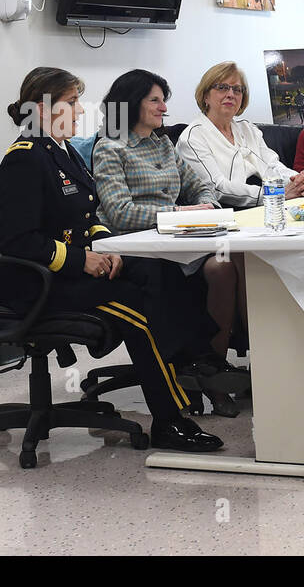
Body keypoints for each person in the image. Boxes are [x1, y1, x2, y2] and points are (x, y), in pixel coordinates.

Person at [0, 66, 222, 452]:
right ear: (41, 109)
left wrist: (105, 248)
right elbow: (20, 242)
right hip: (38, 284)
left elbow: (90, 216)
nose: (80, 112)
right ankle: (170, 419)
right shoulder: (25, 158)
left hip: (69, 272)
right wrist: (82, 261)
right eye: (70, 103)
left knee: (153, 273)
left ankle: (198, 361)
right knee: (138, 311)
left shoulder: (62, 152)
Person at [92, 69, 251, 416]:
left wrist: (206, 204)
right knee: (177, 278)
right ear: (131, 103)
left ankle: (213, 367)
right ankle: (195, 371)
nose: (164, 108)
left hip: (179, 238)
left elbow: (201, 186)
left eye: (165, 100)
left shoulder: (162, 143)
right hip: (136, 247)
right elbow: (119, 213)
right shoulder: (109, 147)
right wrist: (178, 212)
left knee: (228, 264)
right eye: (155, 100)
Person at [176, 61, 304, 208]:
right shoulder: (193, 137)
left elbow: (273, 165)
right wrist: (277, 193)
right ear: (205, 96)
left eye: (237, 90)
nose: (230, 94)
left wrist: (298, 180)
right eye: (222, 88)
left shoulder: (248, 129)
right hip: (232, 211)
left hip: (273, 205)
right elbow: (217, 188)